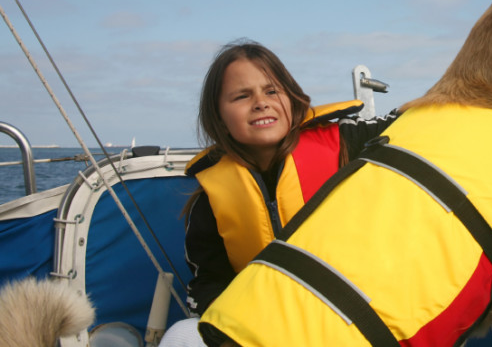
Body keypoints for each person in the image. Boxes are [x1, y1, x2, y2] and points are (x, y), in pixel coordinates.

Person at [159, 40, 398, 346]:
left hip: (357, 320)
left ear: (293, 98)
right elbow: (208, 285)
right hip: (265, 329)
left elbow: (414, 122)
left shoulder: (349, 142)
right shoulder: (210, 202)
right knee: (182, 336)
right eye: (242, 96)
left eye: (272, 91)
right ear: (219, 116)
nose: (261, 102)